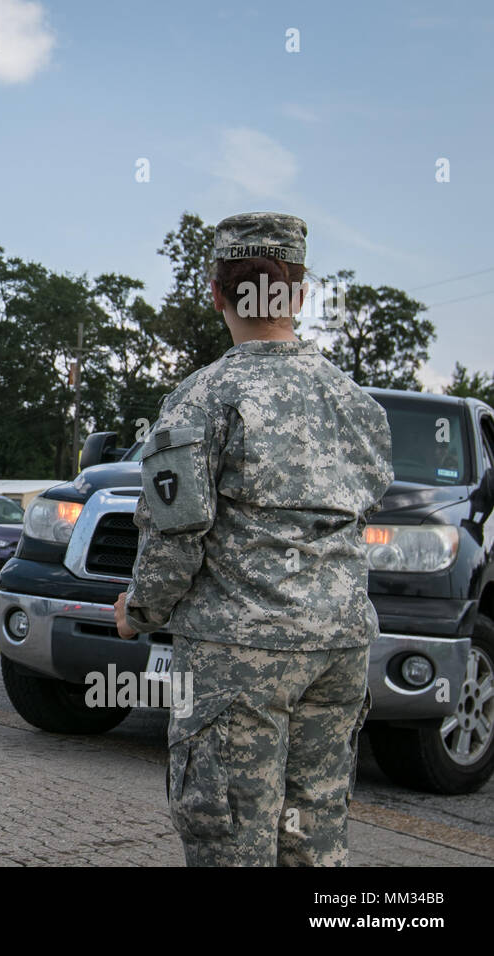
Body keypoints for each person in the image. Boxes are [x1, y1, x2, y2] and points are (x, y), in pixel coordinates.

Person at [112, 212, 394, 867]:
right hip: (340, 649)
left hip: (239, 658)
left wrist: (141, 610)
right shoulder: (356, 404)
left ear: (216, 293)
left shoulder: (200, 399)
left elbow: (174, 536)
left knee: (231, 844)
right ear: (299, 293)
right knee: (314, 844)